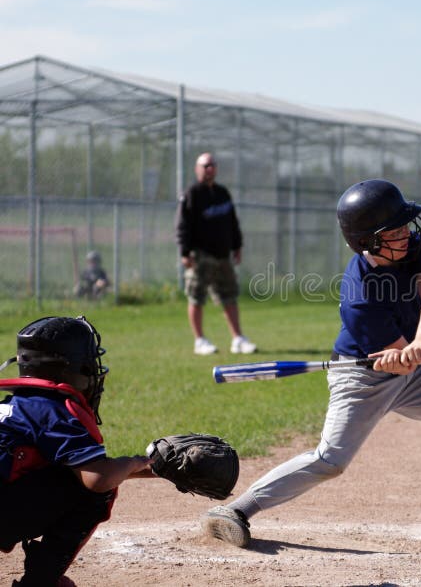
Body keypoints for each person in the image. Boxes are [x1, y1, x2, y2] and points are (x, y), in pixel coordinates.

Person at [201, 179, 421, 548]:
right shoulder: (359, 297)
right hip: (361, 378)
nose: (407, 233)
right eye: (395, 230)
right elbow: (398, 365)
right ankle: (236, 511)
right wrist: (406, 356)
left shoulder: (411, 246)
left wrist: (420, 343)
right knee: (331, 460)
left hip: (405, 366)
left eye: (405, 225)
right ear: (368, 241)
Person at [0, 315, 155, 586]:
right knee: (95, 493)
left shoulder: (17, 406)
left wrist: (155, 468)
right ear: (67, 369)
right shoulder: (53, 411)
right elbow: (96, 479)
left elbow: (60, 471)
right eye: (87, 366)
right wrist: (133, 461)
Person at [176, 152, 257, 355]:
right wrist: (185, 252)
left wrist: (237, 246)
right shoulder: (192, 194)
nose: (209, 169)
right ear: (197, 169)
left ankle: (238, 339)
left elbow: (232, 222)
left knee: (229, 296)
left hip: (223, 255)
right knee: (196, 297)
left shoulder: (222, 193)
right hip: (201, 256)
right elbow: (182, 226)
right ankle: (200, 340)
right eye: (205, 166)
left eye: (212, 165)